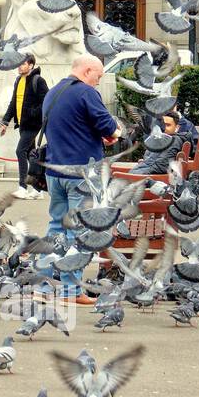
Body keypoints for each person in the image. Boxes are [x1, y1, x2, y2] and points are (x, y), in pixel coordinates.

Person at [40, 52, 124, 304]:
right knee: (80, 232)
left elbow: (70, 128)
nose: (98, 81)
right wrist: (115, 133)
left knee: (55, 227)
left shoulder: (52, 92)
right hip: (81, 174)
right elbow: (106, 125)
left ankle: (43, 284)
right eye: (97, 76)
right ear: (87, 71)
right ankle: (70, 290)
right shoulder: (86, 92)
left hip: (55, 172)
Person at [0, 54, 48, 199]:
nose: (19, 66)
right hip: (22, 123)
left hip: (33, 124)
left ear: (31, 65)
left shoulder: (38, 81)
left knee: (20, 151)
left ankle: (22, 186)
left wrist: (33, 112)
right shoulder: (18, 80)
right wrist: (5, 122)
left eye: (23, 63)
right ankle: (38, 189)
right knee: (30, 155)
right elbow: (13, 103)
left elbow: (47, 100)